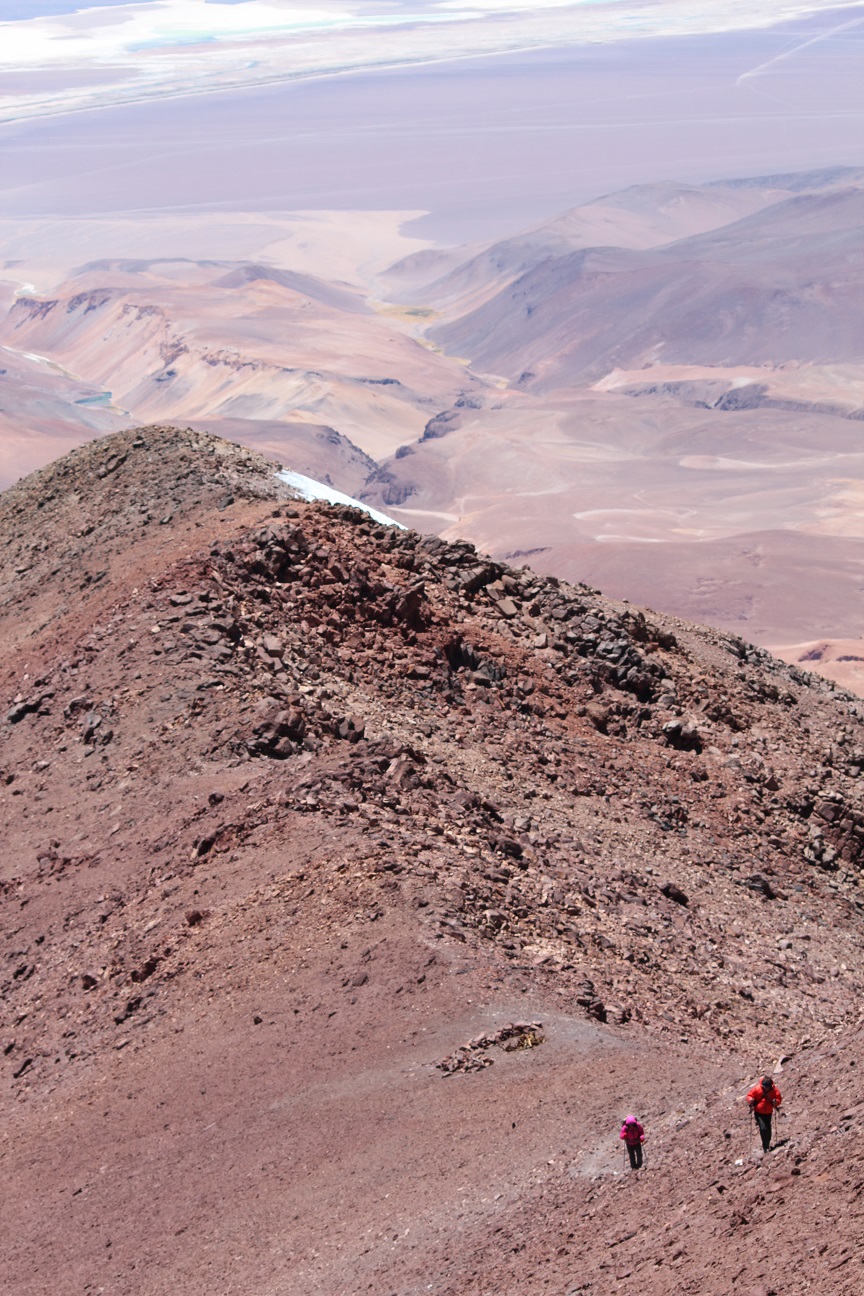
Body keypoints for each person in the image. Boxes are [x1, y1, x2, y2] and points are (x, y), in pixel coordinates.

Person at [746, 1074, 782, 1152]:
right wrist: (751, 1099)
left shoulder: (774, 1090)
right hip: (758, 1112)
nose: (766, 1088)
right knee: (763, 1128)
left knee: (768, 1129)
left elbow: (779, 1099)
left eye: (767, 1086)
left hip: (768, 1112)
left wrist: (776, 1102)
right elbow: (749, 1095)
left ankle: (767, 1144)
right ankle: (765, 1147)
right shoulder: (757, 1088)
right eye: (765, 1086)